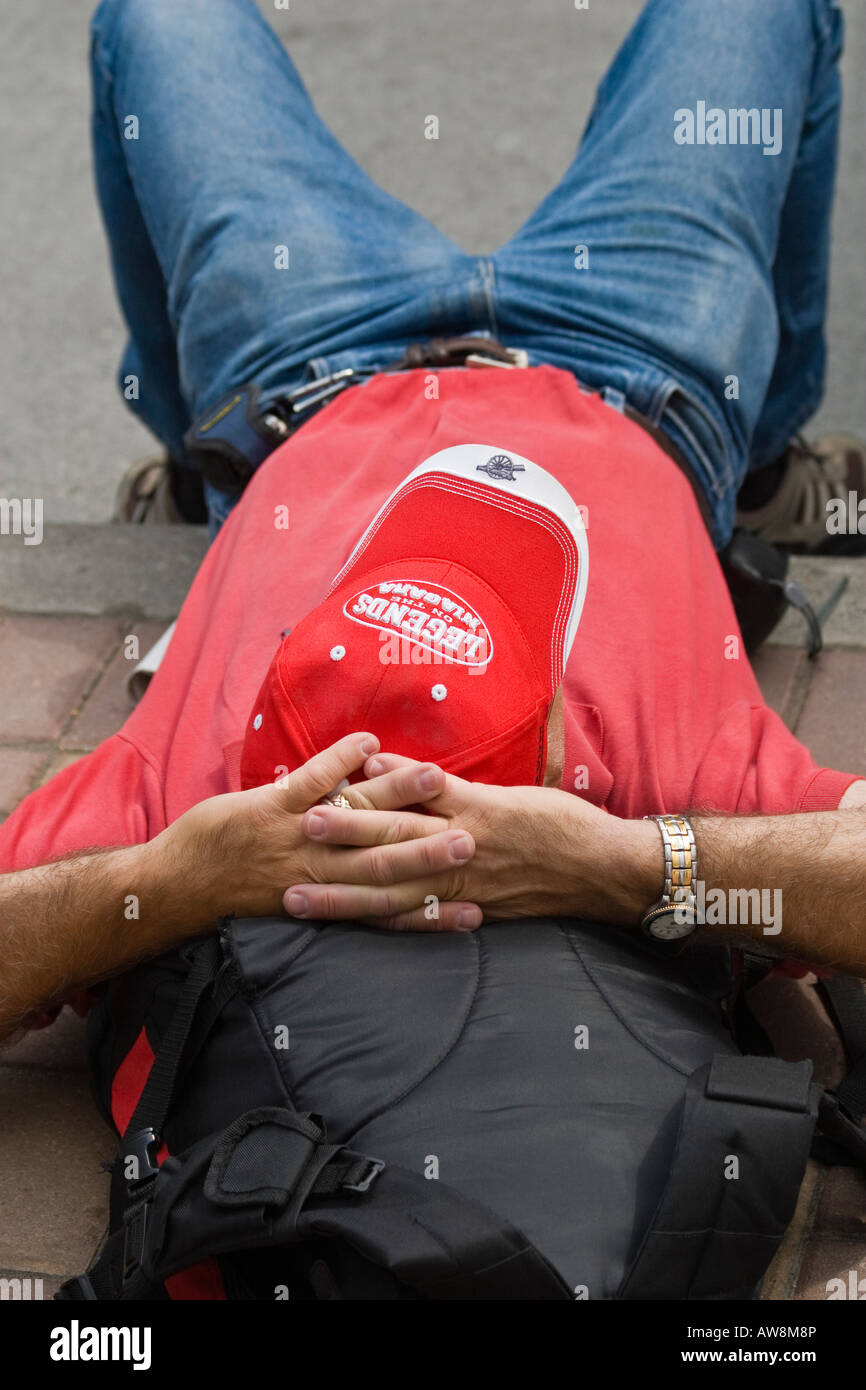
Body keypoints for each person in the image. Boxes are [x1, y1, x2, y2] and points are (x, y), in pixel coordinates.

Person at [2, 0, 866, 1047]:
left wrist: (176, 878)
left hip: (316, 360)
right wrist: (626, 864)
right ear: (552, 759)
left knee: (152, 15)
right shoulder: (650, 785)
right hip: (637, 363)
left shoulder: (206, 794)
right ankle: (767, 472)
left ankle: (197, 473)